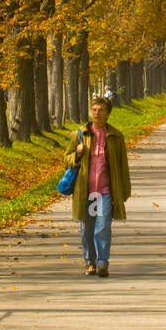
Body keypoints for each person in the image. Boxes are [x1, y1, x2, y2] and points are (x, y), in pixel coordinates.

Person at [62, 95, 131, 277]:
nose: (97, 113)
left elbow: (122, 165)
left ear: (108, 114)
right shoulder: (79, 135)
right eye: (94, 109)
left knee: (102, 227)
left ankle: (102, 262)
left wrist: (124, 190)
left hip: (105, 191)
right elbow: (66, 160)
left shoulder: (115, 137)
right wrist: (77, 154)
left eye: (101, 110)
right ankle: (90, 262)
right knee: (87, 229)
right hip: (85, 191)